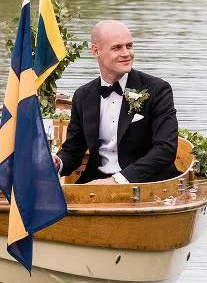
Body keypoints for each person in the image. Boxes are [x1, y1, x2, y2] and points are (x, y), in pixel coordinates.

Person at [54, 20, 178, 184]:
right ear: (96, 51)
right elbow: (73, 151)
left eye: (129, 46)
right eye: (117, 47)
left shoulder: (157, 90)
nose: (126, 53)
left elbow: (165, 150)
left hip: (147, 185)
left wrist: (116, 181)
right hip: (94, 183)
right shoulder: (83, 95)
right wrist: (57, 162)